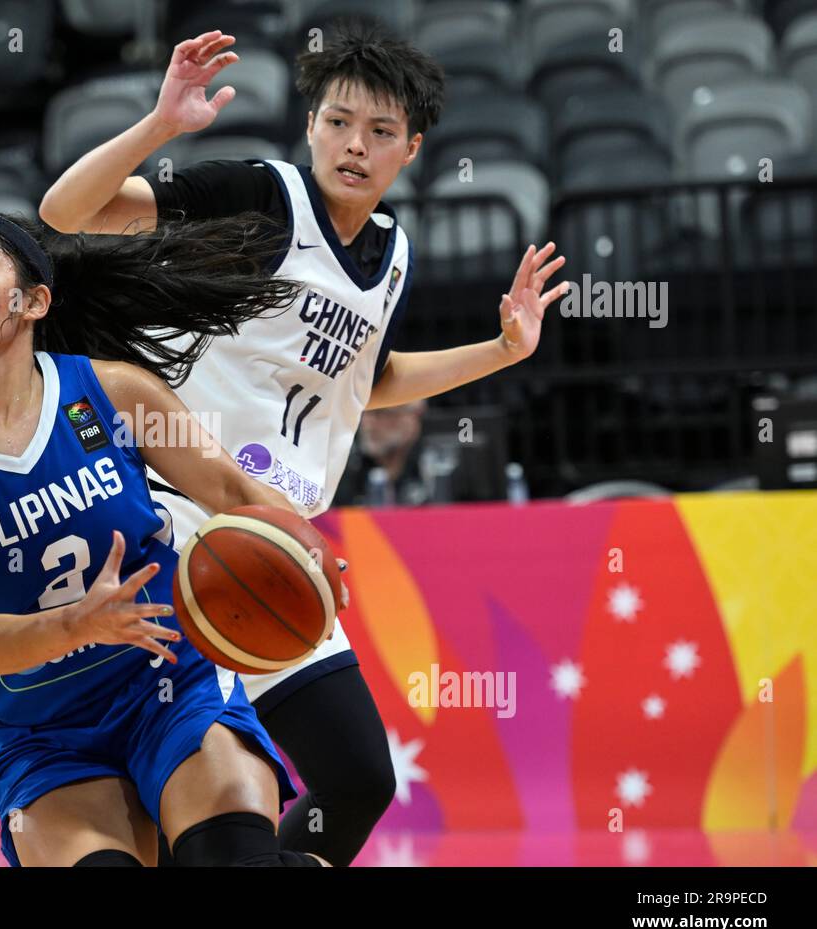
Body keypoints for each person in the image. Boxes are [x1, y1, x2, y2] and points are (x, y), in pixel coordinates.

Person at [40, 20, 569, 865]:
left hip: (278, 543)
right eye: (337, 121)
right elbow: (65, 212)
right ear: (311, 124)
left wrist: (502, 351)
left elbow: (372, 379)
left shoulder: (393, 253)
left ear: (412, 150)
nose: (354, 145)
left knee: (359, 779)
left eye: (380, 132)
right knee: (196, 815)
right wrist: (161, 127)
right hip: (180, 518)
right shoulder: (261, 196)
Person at [0, 208, 347, 866]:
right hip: (44, 730)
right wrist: (72, 626)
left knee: (233, 857)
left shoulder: (112, 392)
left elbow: (233, 493)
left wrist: (306, 554)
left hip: (170, 685)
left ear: (32, 301)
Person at [333, 401, 428, 507]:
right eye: (363, 414)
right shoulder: (345, 468)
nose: (367, 424)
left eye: (380, 413)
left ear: (411, 420)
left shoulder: (434, 464)